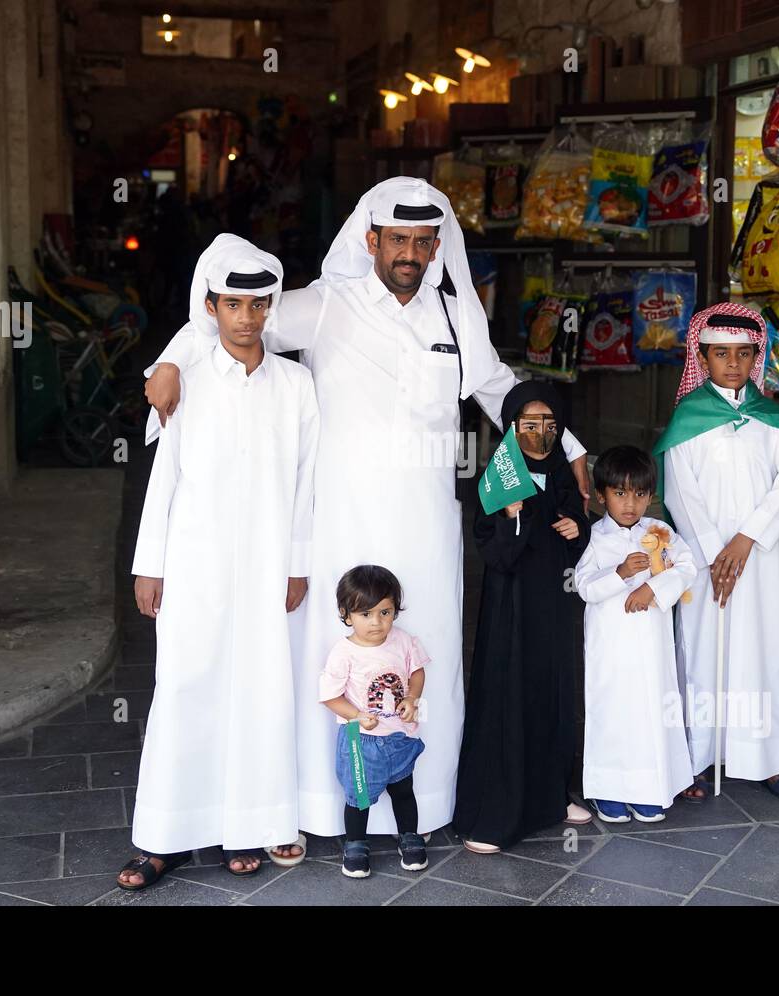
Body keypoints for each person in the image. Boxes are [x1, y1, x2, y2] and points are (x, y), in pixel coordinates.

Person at [141, 178, 591, 839]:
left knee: (423, 656)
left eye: (422, 241)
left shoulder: (452, 315)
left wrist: (570, 448)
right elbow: (233, 319)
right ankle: (327, 810)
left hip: (427, 528)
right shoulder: (327, 305)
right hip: (340, 526)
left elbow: (498, 389)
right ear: (371, 239)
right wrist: (171, 363)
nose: (409, 252)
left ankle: (426, 805)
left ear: (437, 245)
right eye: (397, 239)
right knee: (336, 661)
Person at [117, 235, 317, 890]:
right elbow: (163, 478)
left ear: (270, 308)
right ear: (212, 307)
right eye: (234, 305)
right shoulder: (188, 384)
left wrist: (296, 563)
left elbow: (306, 481)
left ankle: (248, 828)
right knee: (183, 689)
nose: (247, 318)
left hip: (266, 569)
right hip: (194, 564)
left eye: (259, 305)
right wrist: (151, 566)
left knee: (259, 694)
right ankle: (162, 839)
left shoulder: (295, 385)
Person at [652, 303, 779, 802]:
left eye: (744, 354)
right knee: (703, 651)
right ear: (703, 356)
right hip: (706, 562)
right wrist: (713, 551)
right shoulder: (689, 417)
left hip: (759, 560)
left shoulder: (774, 420)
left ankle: (767, 760)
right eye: (721, 354)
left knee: (763, 651)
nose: (734, 364)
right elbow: (681, 492)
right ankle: (698, 760)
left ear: (755, 358)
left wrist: (746, 540)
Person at [452, 381, 592, 852]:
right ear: (512, 427)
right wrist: (513, 517)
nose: (540, 434)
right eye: (529, 425)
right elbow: (493, 549)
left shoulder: (561, 471)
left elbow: (575, 522)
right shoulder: (499, 474)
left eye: (550, 425)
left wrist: (577, 527)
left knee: (550, 693)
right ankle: (498, 811)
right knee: (510, 695)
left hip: (552, 603)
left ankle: (552, 796)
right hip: (512, 605)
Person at [574, 446, 696, 823]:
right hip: (610, 646)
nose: (630, 504)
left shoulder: (661, 533)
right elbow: (583, 586)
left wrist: (652, 590)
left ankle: (649, 790)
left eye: (640, 494)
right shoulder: (593, 538)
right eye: (620, 493)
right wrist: (621, 575)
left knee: (650, 712)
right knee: (611, 712)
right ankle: (609, 791)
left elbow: (688, 567)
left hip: (651, 647)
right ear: (601, 495)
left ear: (650, 497)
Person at [319, 565, 428, 878]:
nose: (377, 623)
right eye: (366, 614)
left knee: (403, 789)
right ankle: (355, 844)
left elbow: (417, 672)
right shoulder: (344, 652)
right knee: (359, 797)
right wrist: (356, 715)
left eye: (385, 612)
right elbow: (329, 696)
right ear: (346, 614)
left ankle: (409, 836)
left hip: (399, 736)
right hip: (361, 740)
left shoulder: (403, 641)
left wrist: (412, 699)